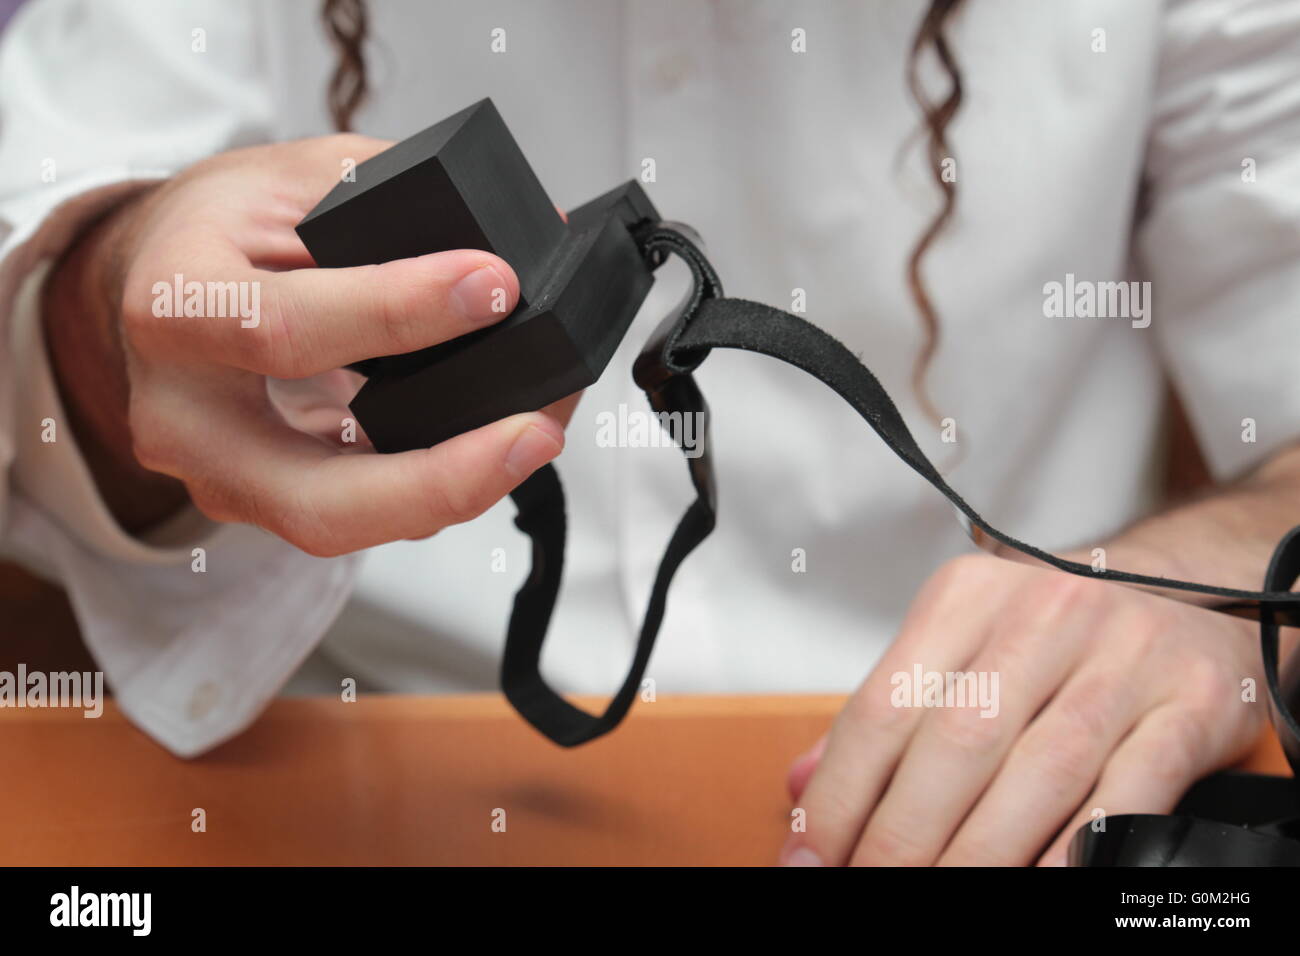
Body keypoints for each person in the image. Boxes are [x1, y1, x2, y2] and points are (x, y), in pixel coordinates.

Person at [2, 0, 1299, 867]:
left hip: (1002, 793)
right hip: (339, 790)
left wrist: (1222, 581)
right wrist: (107, 305)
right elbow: (43, 233)